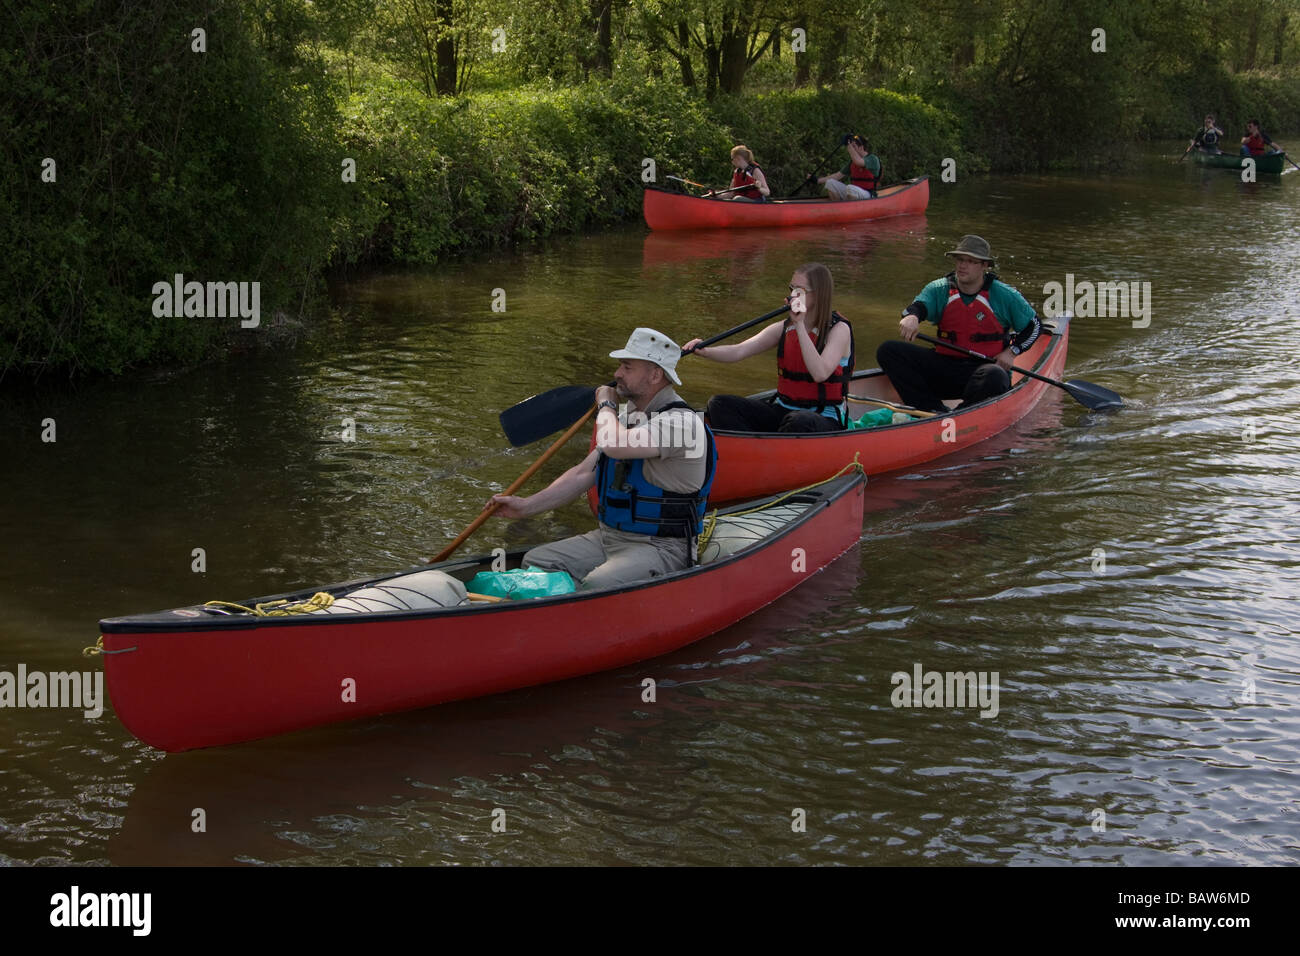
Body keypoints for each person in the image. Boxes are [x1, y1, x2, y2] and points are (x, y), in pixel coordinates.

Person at [490, 328, 716, 590]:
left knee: (599, 584)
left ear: (655, 374)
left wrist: (606, 406)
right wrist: (526, 506)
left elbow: (615, 445)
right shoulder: (630, 416)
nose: (617, 374)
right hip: (611, 538)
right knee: (538, 561)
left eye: (627, 366)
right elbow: (584, 473)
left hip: (661, 546)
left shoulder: (682, 423)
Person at [876, 235, 1041, 413]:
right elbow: (917, 308)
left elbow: (1035, 326)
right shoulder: (939, 288)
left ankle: (961, 413)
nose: (963, 265)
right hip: (944, 368)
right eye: (960, 260)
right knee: (889, 350)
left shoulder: (1003, 295)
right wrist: (912, 317)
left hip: (983, 373)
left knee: (995, 375)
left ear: (984, 265)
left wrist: (1011, 351)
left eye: (970, 261)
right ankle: (932, 410)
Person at [683, 263, 855, 432]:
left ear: (818, 295)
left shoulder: (838, 330)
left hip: (823, 418)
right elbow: (739, 350)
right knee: (719, 404)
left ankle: (771, 452)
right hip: (783, 410)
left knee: (799, 421)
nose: (792, 297)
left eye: (800, 291)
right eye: (791, 289)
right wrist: (705, 351)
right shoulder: (784, 327)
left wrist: (800, 325)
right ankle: (750, 450)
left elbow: (820, 373)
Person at [817, 134, 880, 200]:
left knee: (850, 188)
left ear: (861, 147)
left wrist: (848, 145)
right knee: (830, 183)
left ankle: (852, 208)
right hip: (854, 192)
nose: (851, 149)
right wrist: (817, 180)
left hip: (868, 194)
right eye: (851, 147)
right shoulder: (852, 162)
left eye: (854, 146)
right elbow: (837, 176)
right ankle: (839, 208)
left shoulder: (872, 159)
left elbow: (858, 161)